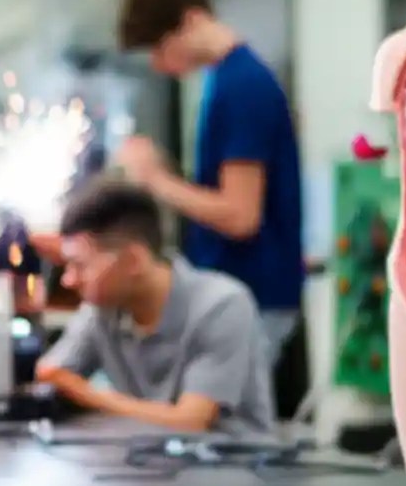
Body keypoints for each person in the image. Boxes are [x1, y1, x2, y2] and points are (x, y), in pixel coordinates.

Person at [113, 0, 305, 373]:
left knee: (227, 427)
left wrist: (155, 180)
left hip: (253, 295)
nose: (160, 66)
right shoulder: (226, 82)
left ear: (191, 20)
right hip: (241, 293)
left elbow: (240, 215)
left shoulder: (241, 86)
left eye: (160, 49)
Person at [33, 179, 276, 436]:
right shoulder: (102, 310)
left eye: (80, 265)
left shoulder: (221, 306)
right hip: (148, 463)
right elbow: (53, 374)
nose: (68, 280)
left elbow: (191, 422)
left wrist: (87, 394)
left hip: (232, 465)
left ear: (134, 260)